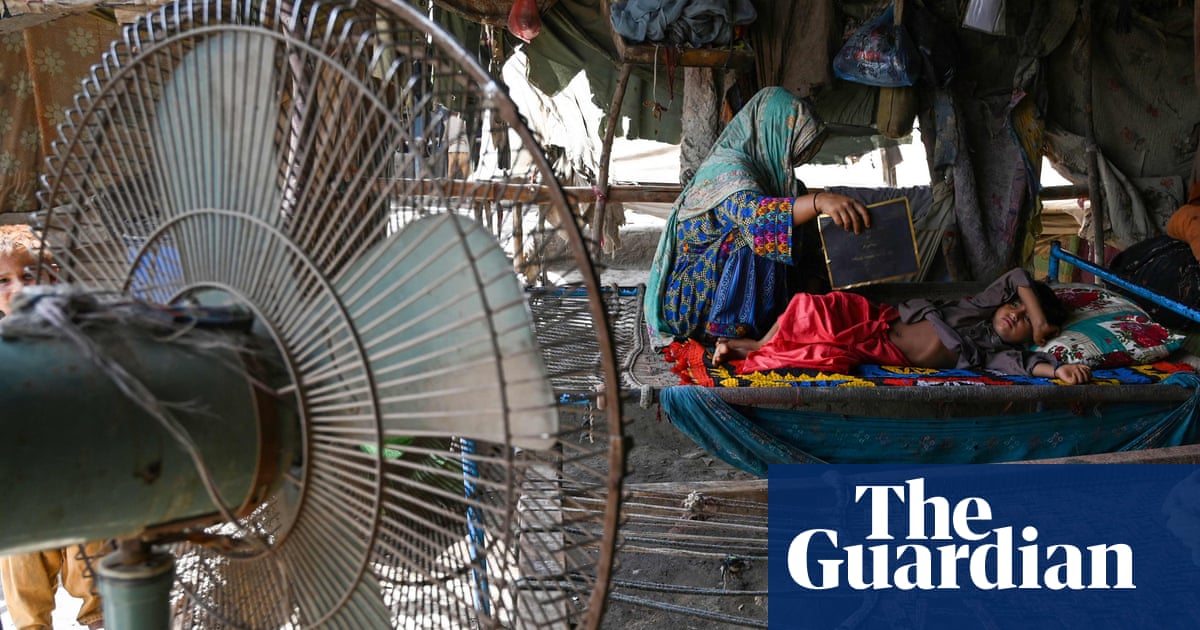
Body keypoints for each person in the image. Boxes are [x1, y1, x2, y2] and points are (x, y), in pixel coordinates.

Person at [644, 86, 872, 348]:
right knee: (758, 235)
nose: (793, 159)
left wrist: (813, 298)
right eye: (791, 145)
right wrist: (819, 201)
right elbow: (760, 222)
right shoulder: (728, 172)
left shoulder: (784, 186)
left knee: (795, 232)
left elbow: (809, 252)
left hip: (739, 299)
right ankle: (731, 336)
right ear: (772, 131)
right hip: (688, 303)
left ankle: (772, 331)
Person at [713, 267, 1094, 384]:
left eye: (1025, 321)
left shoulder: (995, 354)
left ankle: (741, 349)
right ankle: (751, 345)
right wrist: (1040, 319)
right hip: (875, 319)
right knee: (809, 307)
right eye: (1017, 307)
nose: (1016, 314)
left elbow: (1028, 366)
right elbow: (1018, 276)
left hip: (878, 349)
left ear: (1033, 338)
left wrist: (1059, 368)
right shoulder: (978, 307)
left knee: (821, 353)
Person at [0, 224, 106, 630]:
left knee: (97, 573)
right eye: (4, 281)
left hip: (84, 483)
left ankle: (100, 619)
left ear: (54, 276)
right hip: (24, 493)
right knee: (23, 578)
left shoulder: (80, 338)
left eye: (29, 275)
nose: (20, 288)